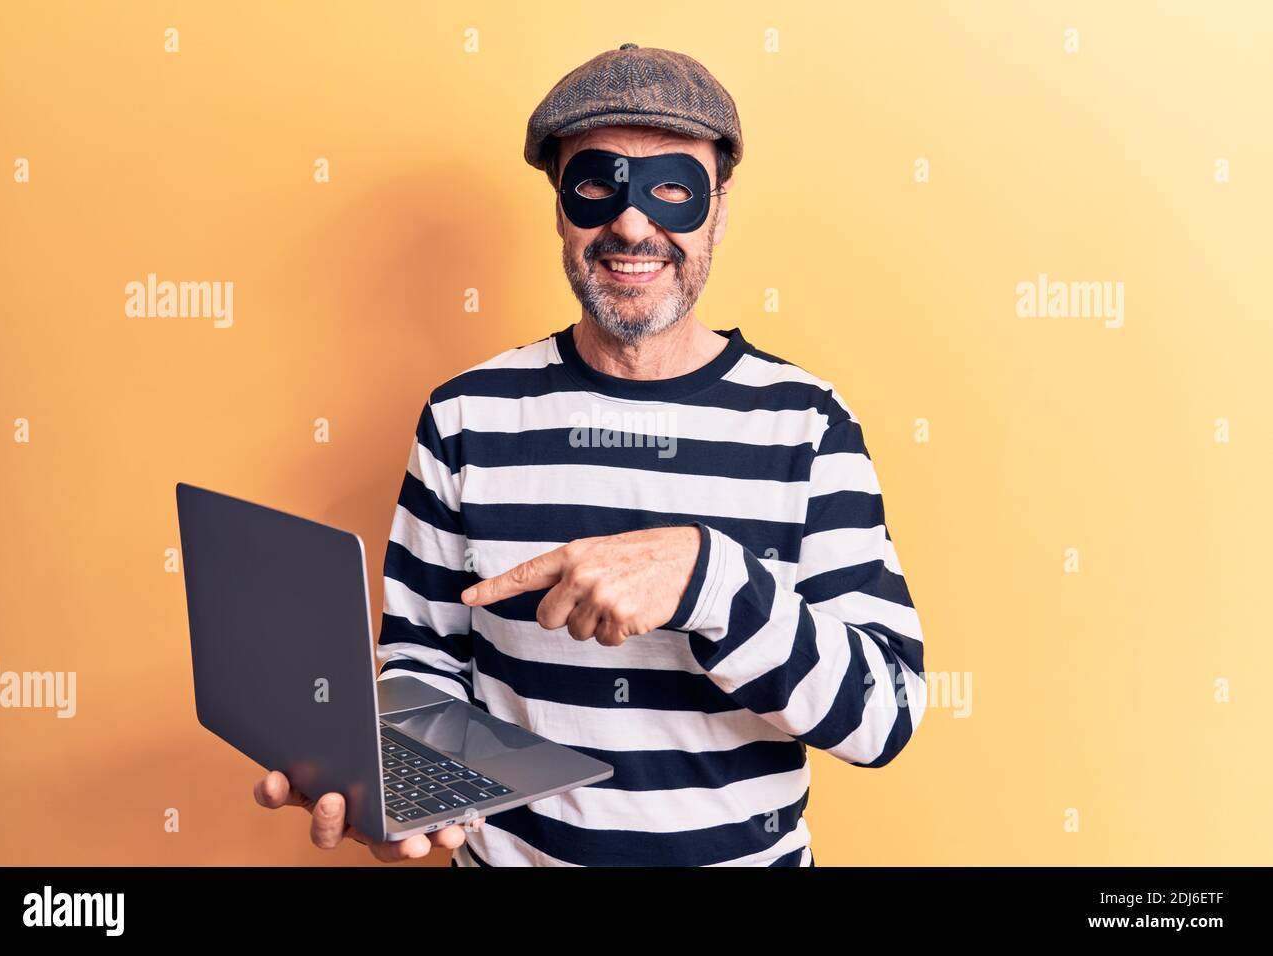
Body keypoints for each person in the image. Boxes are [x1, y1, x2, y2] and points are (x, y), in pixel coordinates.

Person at [256, 43, 926, 866]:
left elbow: (885, 713)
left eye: (672, 189)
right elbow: (423, 660)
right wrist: (400, 792)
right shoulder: (467, 413)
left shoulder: (807, 424)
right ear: (561, 210)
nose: (633, 224)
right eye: (596, 186)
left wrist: (709, 578)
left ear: (718, 206)